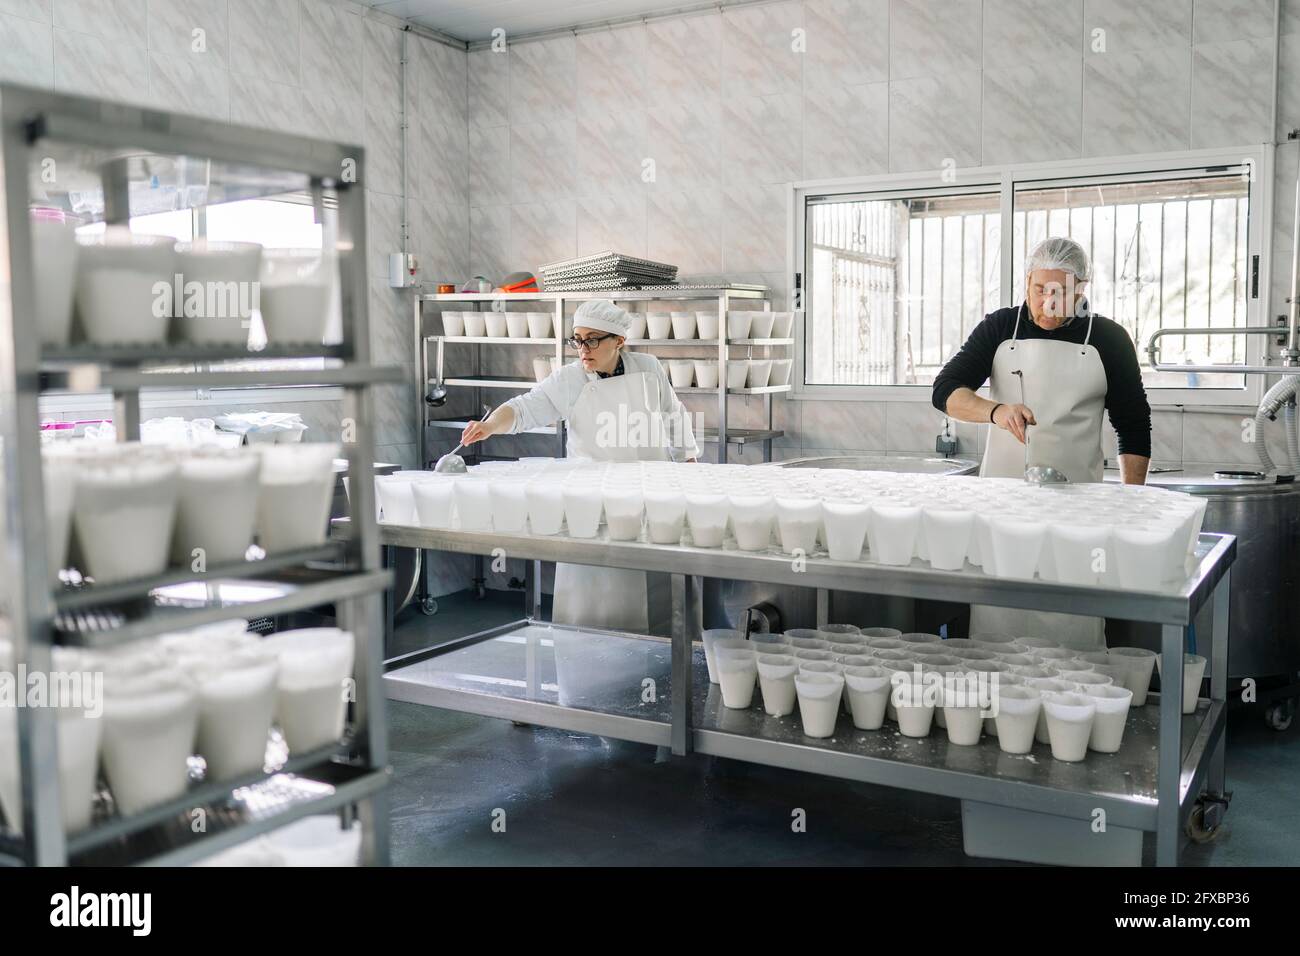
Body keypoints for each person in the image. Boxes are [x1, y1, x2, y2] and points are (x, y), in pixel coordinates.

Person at [931, 237, 1152, 649]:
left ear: (1082, 288)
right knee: (999, 622)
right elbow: (945, 390)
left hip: (1079, 514)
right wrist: (995, 411)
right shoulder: (999, 328)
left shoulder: (1109, 339)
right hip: (1003, 509)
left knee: (1074, 624)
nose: (1048, 302)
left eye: (1061, 291)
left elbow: (1134, 426)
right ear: (1026, 282)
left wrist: (1130, 506)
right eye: (1039, 289)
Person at [459, 298, 700, 635]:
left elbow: (674, 414)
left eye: (592, 339)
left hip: (650, 491)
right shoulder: (569, 379)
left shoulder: (648, 368)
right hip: (594, 499)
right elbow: (526, 407)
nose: (582, 348)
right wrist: (490, 424)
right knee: (598, 592)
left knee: (655, 590)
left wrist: (687, 461)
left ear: (619, 341)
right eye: (577, 339)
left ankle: (661, 656)